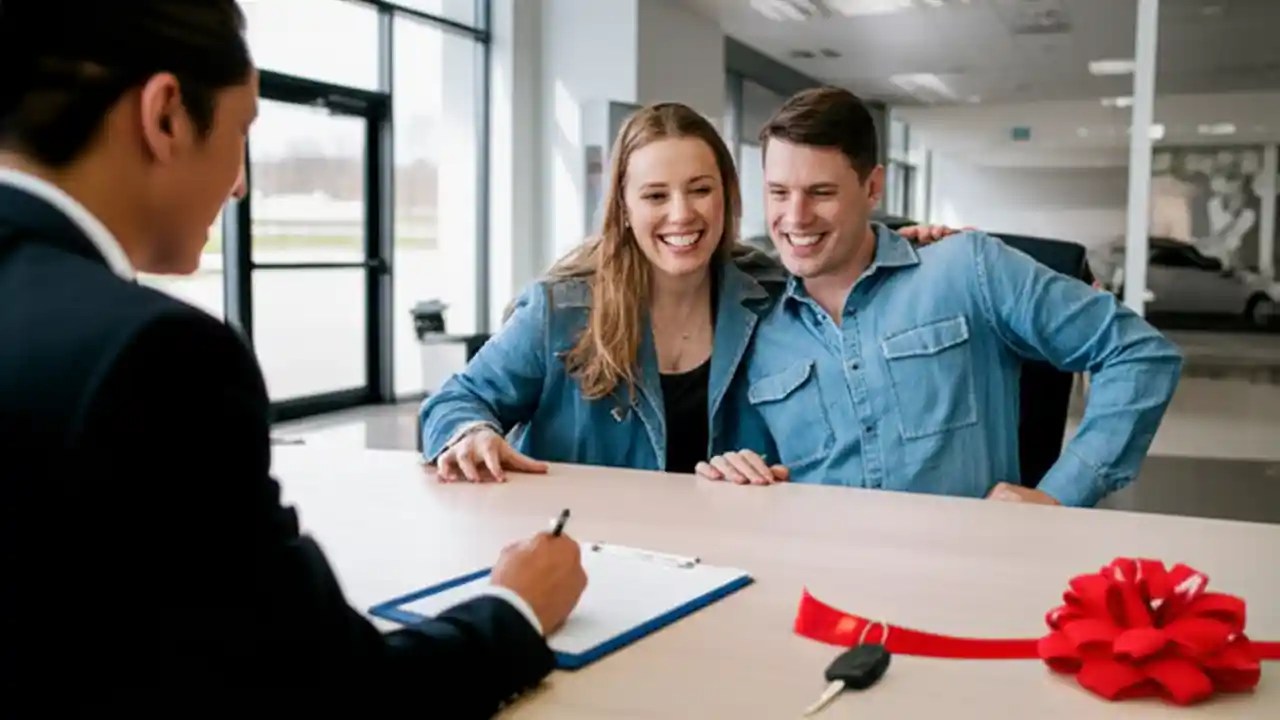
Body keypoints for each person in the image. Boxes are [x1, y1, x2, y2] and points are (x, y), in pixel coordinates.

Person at [0, 2, 585, 714]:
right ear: (165, 115)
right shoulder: (155, 357)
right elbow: (337, 695)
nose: (240, 183)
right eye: (244, 129)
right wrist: (516, 610)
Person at [696, 87, 1183, 508]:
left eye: (820, 192)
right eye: (778, 192)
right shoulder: (756, 330)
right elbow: (756, 475)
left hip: (967, 584)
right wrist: (736, 474)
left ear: (873, 187)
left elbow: (1138, 353)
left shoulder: (966, 268)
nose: (795, 217)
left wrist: (1060, 494)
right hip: (823, 590)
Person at [419, 102, 956, 482]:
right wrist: (468, 433)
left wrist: (916, 246)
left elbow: (850, 280)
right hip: (580, 553)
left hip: (725, 555)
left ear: (728, 195)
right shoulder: (559, 310)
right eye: (656, 195)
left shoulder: (777, 298)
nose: (683, 214)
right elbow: (457, 400)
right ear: (624, 211)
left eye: (701, 189)